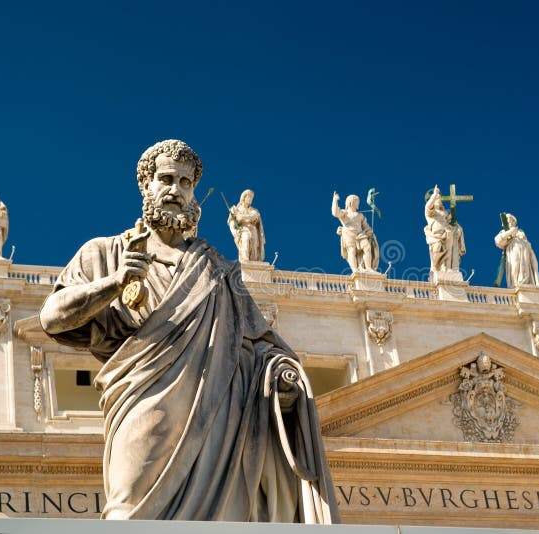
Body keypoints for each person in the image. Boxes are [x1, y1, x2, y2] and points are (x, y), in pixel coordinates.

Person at [39, 140, 338, 523]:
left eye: (185, 182)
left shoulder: (219, 271)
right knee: (128, 514)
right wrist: (114, 283)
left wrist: (280, 376)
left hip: (217, 420)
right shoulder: (107, 252)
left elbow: (259, 346)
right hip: (142, 407)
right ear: (145, 187)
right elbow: (52, 317)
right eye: (166, 179)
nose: (175, 190)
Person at [331, 192, 379, 272]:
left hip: (360, 235)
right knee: (352, 251)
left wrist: (369, 232)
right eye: (356, 202)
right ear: (351, 202)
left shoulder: (360, 215)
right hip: (348, 233)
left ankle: (368, 268)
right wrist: (335, 199)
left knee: (367, 247)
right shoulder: (344, 213)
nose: (357, 205)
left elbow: (366, 226)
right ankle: (355, 270)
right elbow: (335, 212)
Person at [424, 186, 465, 273]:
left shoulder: (445, 213)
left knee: (448, 251)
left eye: (439, 199)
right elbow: (427, 207)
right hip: (436, 236)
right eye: (437, 200)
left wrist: (455, 225)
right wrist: (435, 194)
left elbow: (452, 221)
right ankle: (436, 268)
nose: (439, 201)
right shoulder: (431, 214)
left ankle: (445, 268)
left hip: (447, 233)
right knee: (437, 248)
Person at [494, 213, 539, 288]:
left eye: (510, 219)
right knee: (514, 264)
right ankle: (514, 283)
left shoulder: (520, 231)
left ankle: (525, 282)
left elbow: (526, 241)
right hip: (513, 248)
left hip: (524, 249)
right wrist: (510, 232)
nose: (509, 221)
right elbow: (498, 240)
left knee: (525, 265)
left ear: (513, 221)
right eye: (507, 220)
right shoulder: (504, 231)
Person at [228, 189, 265, 262]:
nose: (251, 199)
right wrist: (235, 232)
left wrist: (241, 218)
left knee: (254, 248)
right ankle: (245, 261)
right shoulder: (236, 209)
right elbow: (231, 222)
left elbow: (254, 216)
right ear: (244, 197)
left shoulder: (253, 210)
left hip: (253, 230)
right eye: (249, 197)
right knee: (245, 240)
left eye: (252, 198)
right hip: (243, 230)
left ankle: (253, 265)